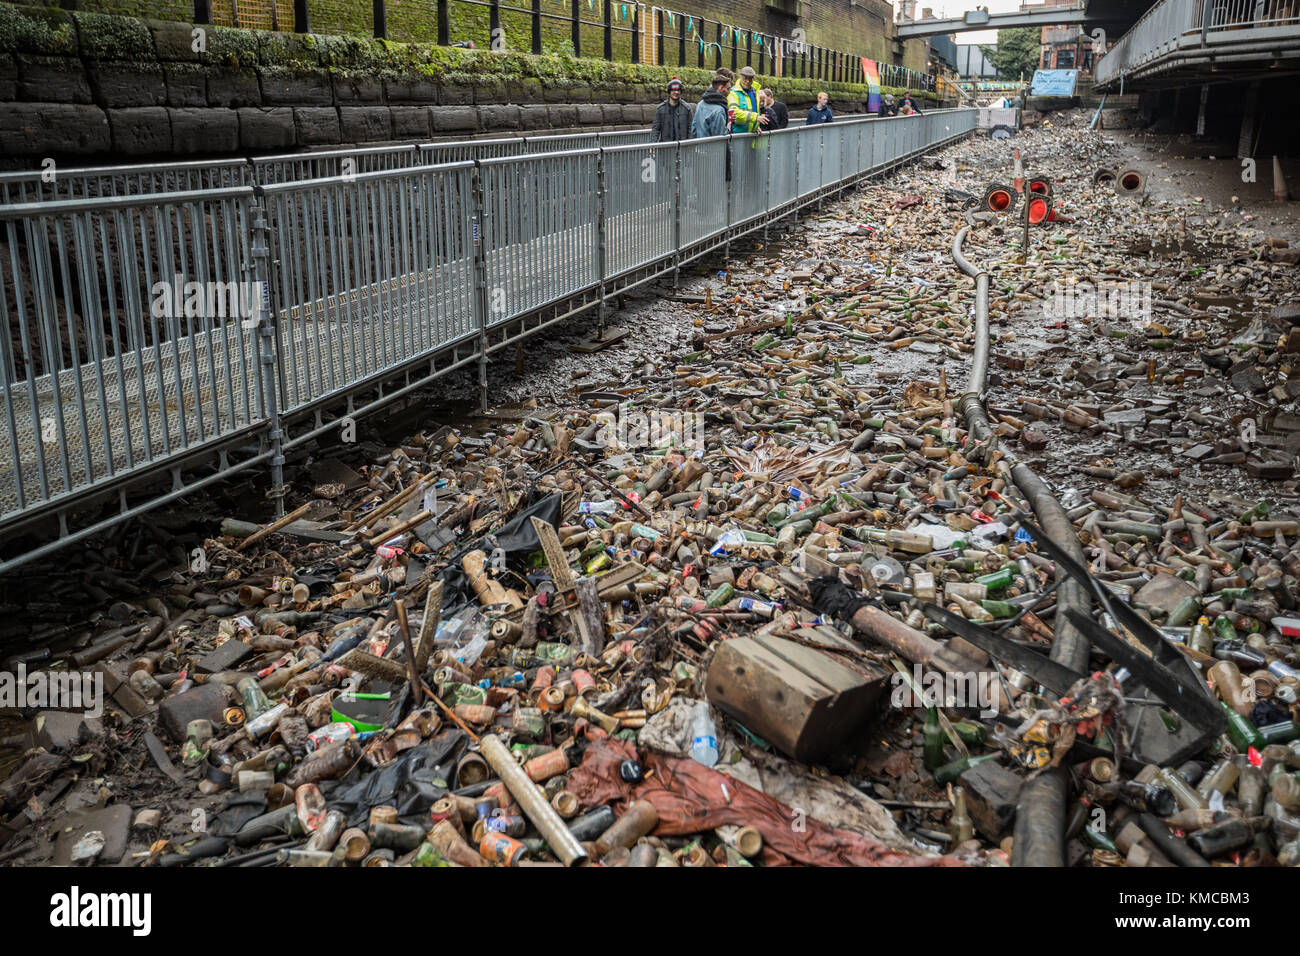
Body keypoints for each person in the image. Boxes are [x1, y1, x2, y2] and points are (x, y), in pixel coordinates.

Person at [727, 65, 767, 134]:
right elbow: (734, 114)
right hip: (737, 135)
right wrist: (755, 117)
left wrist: (756, 127)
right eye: (745, 78)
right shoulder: (733, 93)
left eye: (750, 79)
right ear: (740, 77)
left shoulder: (755, 92)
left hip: (751, 135)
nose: (748, 81)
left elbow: (755, 110)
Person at [691, 73, 731, 139]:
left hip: (699, 145)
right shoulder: (719, 110)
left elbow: (694, 129)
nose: (729, 92)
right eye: (728, 89)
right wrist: (729, 125)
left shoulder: (700, 103)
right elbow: (721, 136)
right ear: (720, 88)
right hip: (713, 148)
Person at [652, 77, 691, 142]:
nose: (676, 92)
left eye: (678, 90)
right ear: (669, 91)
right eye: (673, 90)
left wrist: (690, 145)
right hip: (665, 148)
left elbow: (690, 129)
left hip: (682, 148)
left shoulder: (687, 108)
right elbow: (656, 129)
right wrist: (652, 143)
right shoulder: (661, 109)